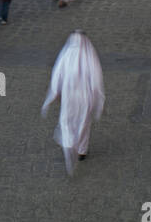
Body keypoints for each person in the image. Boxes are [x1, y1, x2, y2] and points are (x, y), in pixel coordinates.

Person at [41, 30, 105, 175]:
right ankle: (82, 150)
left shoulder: (66, 55)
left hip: (69, 96)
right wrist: (98, 100)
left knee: (67, 120)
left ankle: (69, 143)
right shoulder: (90, 56)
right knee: (84, 122)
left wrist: (54, 95)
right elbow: (96, 79)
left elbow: (57, 75)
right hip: (85, 97)